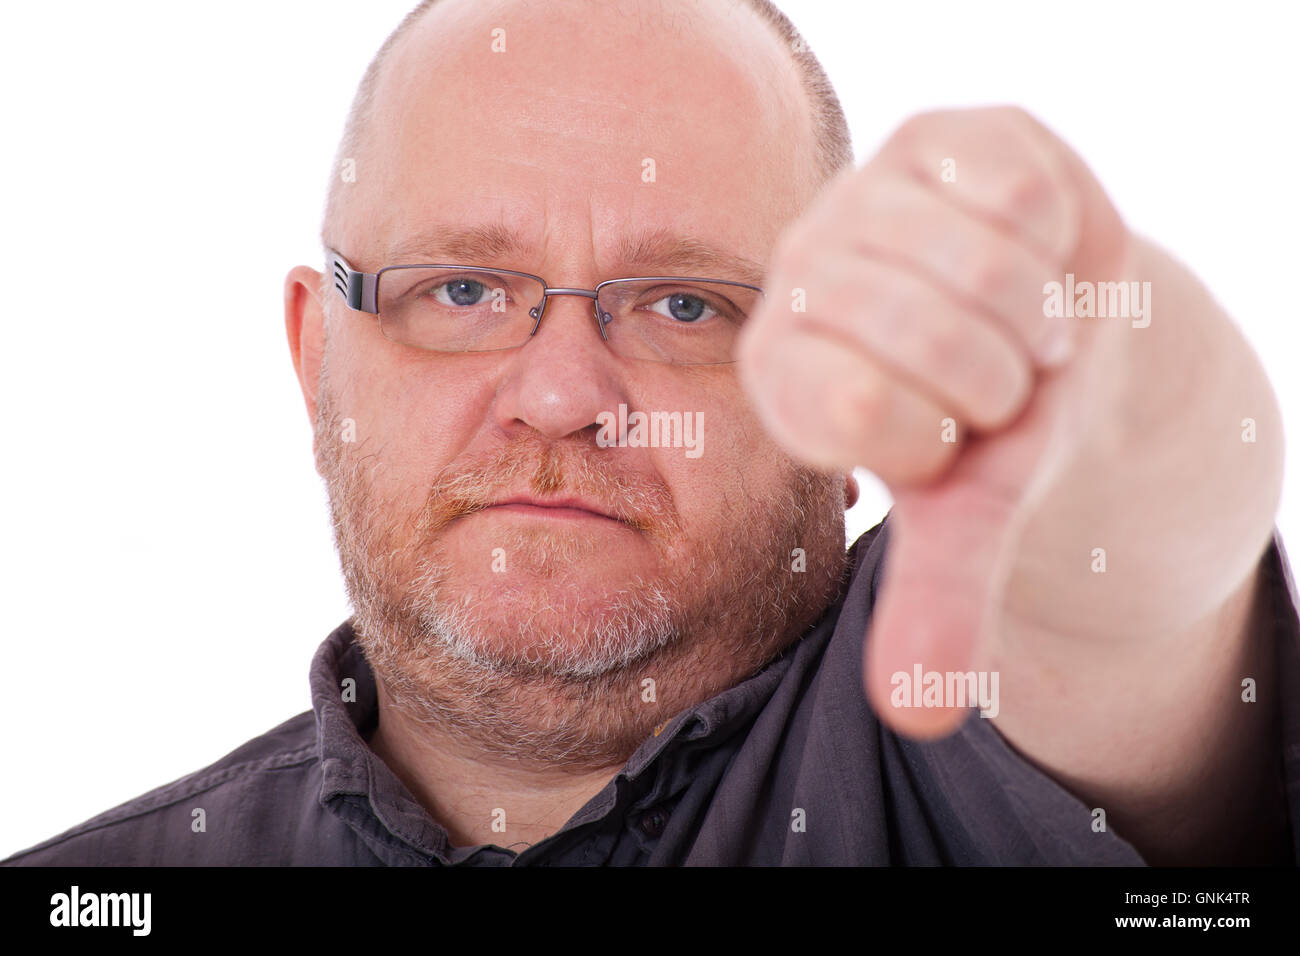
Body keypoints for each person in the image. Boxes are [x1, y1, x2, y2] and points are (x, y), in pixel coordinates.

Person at [5, 0, 1296, 867]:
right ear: (315, 358)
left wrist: (1102, 376)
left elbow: (1135, 561)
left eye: (687, 305)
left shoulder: (952, 741)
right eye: (462, 290)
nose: (563, 393)